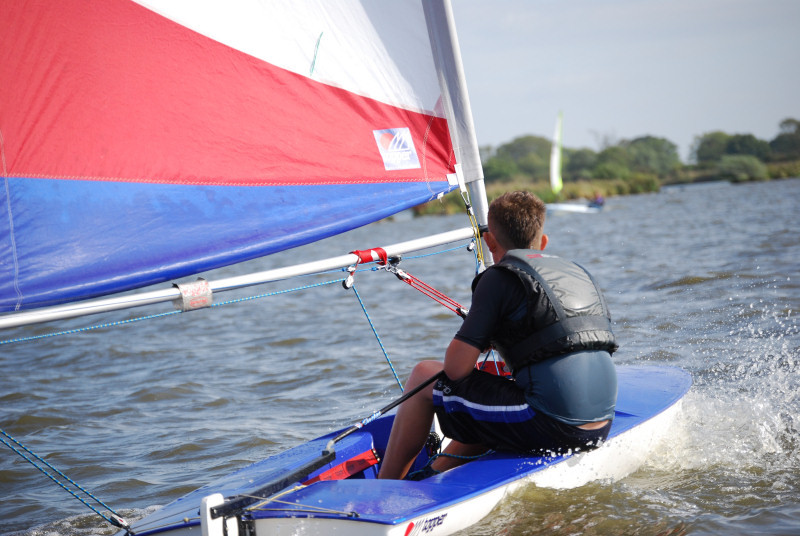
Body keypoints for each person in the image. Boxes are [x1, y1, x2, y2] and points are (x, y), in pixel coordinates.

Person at [378, 191, 618, 480]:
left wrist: (483, 338)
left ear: (489, 241)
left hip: (554, 424)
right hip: (602, 424)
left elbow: (455, 370)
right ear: (543, 243)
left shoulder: (498, 277)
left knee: (423, 373)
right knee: (492, 393)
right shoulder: (575, 271)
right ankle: (434, 473)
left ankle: (388, 485)